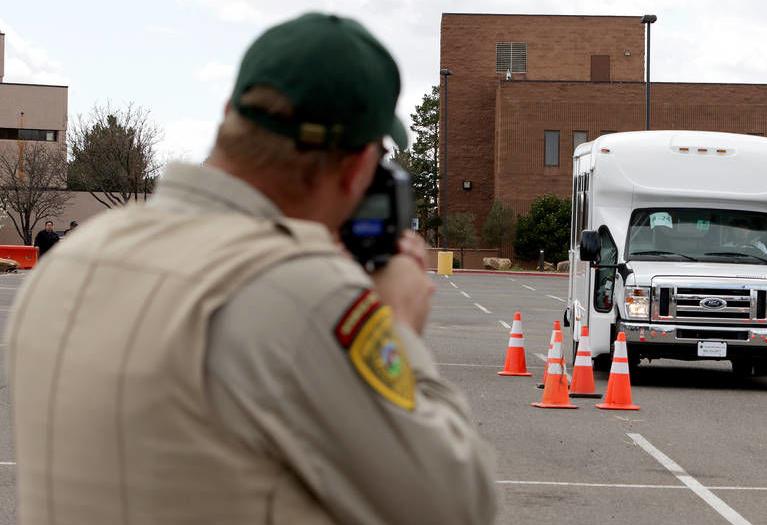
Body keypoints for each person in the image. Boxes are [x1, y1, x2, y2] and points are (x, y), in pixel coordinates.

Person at [5, 13, 496, 525]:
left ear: (229, 115)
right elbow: (459, 502)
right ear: (356, 169)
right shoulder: (305, 296)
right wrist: (396, 329)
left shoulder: (70, 263)